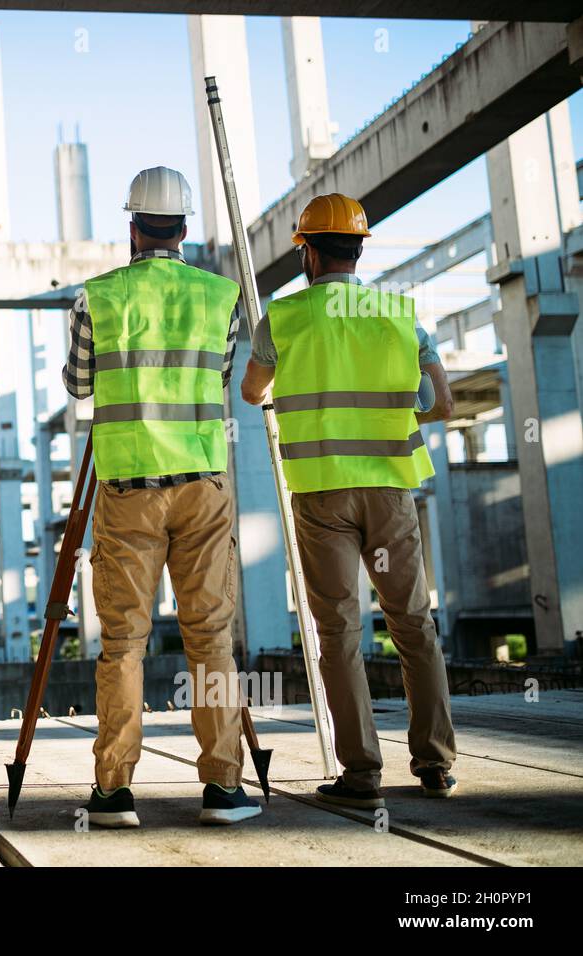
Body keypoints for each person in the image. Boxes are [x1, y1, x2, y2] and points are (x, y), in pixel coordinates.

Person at [239, 192, 458, 808]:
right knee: (413, 623)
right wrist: (394, 408)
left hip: (321, 494)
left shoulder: (281, 318)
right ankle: (436, 765)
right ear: (359, 249)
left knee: (337, 630)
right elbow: (443, 404)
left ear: (307, 251)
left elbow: (253, 394)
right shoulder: (400, 315)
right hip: (390, 490)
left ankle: (361, 775)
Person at [64, 167, 261, 827]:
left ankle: (115, 791)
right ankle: (224, 789)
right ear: (185, 226)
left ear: (132, 227)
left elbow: (78, 384)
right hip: (203, 485)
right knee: (211, 637)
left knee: (123, 641)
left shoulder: (98, 297)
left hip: (129, 490)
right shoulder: (221, 297)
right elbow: (225, 376)